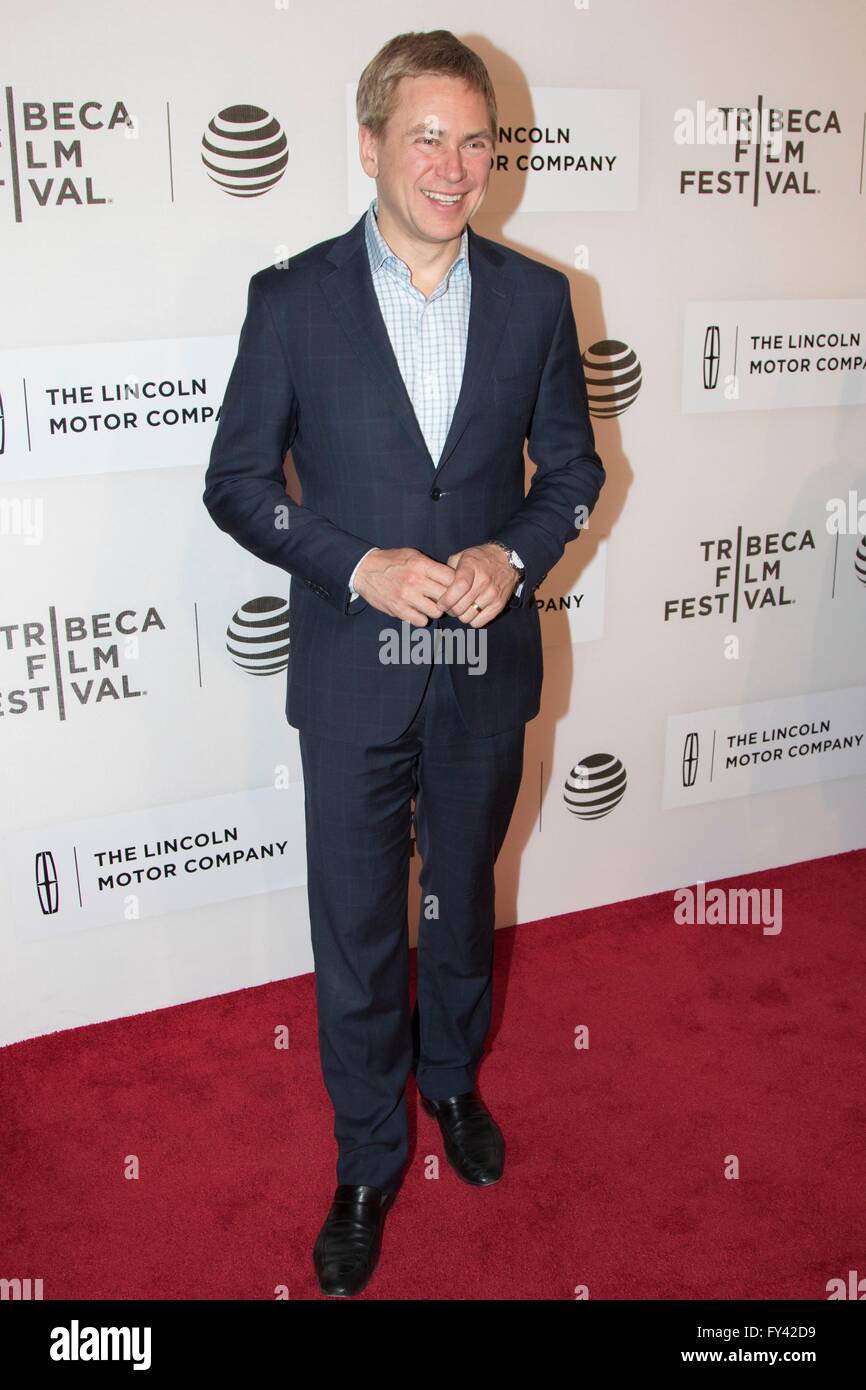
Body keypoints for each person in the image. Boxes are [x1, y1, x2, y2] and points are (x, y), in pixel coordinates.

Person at [203, 28, 605, 1298]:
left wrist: (513, 554)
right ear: (369, 144)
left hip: (484, 669)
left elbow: (576, 473)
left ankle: (451, 1084)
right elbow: (232, 484)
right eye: (425, 135)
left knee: (463, 907)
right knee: (363, 932)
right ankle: (369, 1157)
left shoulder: (540, 298)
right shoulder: (293, 297)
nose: (452, 162)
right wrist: (353, 564)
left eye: (473, 138)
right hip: (350, 667)